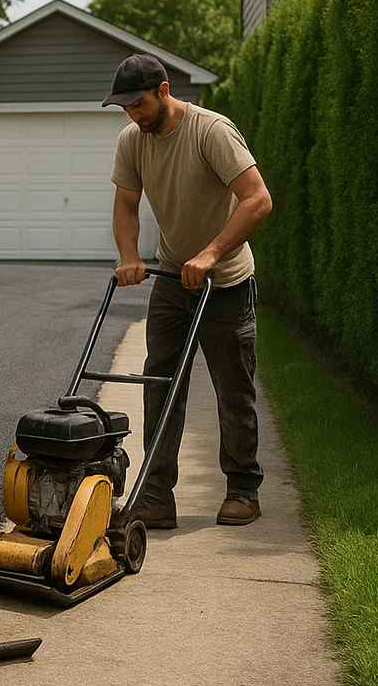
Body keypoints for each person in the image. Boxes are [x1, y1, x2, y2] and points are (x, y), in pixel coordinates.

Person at [106, 54, 273, 528]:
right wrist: (129, 256)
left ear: (163, 90)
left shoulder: (211, 131)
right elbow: (125, 203)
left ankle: (243, 488)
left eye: (137, 104)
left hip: (225, 283)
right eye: (124, 108)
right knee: (160, 384)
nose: (132, 115)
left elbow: (258, 199)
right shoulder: (132, 140)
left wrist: (212, 254)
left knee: (232, 390)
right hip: (172, 280)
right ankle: (156, 496)